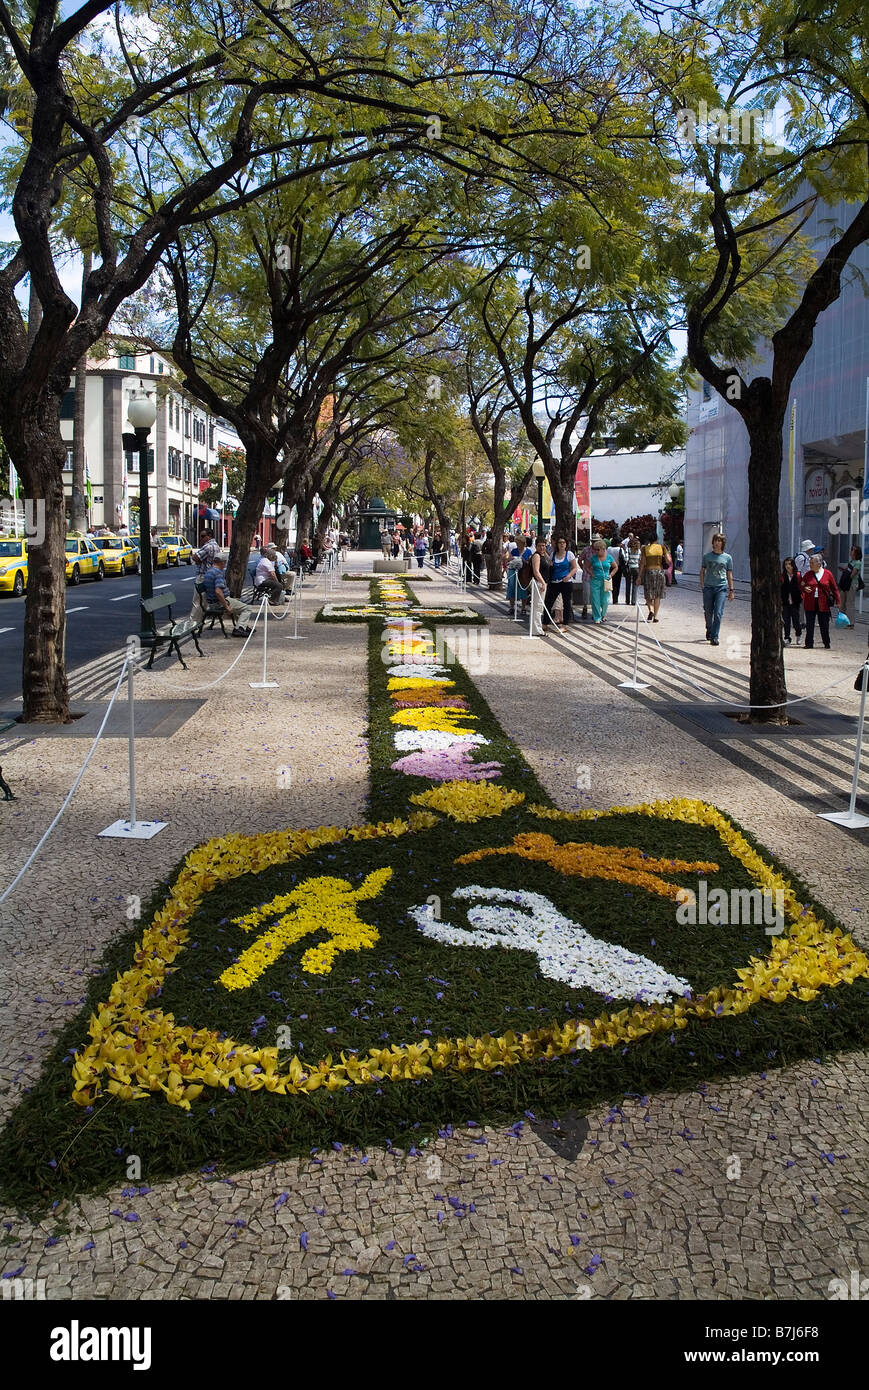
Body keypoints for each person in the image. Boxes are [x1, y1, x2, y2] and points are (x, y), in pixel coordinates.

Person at [201, 555, 254, 637]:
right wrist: (226, 606)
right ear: (222, 562)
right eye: (225, 563)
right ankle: (239, 628)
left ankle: (242, 626)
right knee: (247, 608)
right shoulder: (217, 573)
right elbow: (218, 592)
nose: (225, 565)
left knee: (238, 605)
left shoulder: (209, 571)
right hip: (220, 602)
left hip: (212, 601)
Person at [699, 532, 734, 646]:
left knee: (718, 613)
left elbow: (729, 574)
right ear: (713, 542)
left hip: (721, 588)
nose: (718, 543)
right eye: (716, 540)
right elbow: (702, 571)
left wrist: (731, 590)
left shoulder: (727, 558)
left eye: (720, 541)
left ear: (723, 543)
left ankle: (715, 636)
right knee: (708, 611)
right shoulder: (707, 556)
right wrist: (702, 585)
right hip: (708, 587)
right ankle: (709, 628)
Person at [801, 552, 840, 649]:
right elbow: (801, 585)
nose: (810, 565)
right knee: (810, 624)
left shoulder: (828, 574)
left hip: (823, 603)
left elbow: (834, 588)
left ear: (819, 564)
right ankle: (809, 643)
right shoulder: (808, 574)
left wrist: (838, 601)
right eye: (810, 563)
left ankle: (826, 642)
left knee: (824, 624)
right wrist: (804, 588)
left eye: (812, 563)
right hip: (810, 602)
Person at [543, 535, 578, 631]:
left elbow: (575, 567)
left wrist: (568, 576)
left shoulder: (569, 554)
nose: (562, 544)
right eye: (560, 543)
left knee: (566, 603)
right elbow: (550, 564)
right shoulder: (553, 554)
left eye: (563, 543)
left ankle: (565, 625)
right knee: (548, 602)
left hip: (566, 582)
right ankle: (545, 623)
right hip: (554, 582)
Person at [638, 533, 670, 622]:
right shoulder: (662, 547)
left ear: (648, 540)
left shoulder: (645, 549)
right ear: (657, 539)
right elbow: (668, 561)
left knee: (648, 593)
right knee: (657, 595)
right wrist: (665, 553)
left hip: (648, 572)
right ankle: (655, 617)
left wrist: (639, 576)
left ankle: (650, 610)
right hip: (659, 572)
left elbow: (642, 563)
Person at [589, 537, 617, 624]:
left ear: (603, 549)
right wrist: (591, 574)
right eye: (595, 550)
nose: (596, 552)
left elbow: (615, 567)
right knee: (595, 600)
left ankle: (603, 614)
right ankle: (597, 617)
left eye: (598, 550)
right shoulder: (593, 558)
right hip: (595, 581)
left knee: (605, 600)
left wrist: (611, 575)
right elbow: (586, 567)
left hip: (606, 581)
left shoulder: (609, 558)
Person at [529, 537, 551, 635]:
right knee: (537, 606)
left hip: (544, 583)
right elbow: (536, 571)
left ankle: (537, 627)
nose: (542, 547)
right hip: (539, 583)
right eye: (540, 546)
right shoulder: (536, 556)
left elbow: (551, 562)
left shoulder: (543, 555)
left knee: (540, 607)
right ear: (536, 546)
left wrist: (545, 552)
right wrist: (542, 582)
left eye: (544, 546)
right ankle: (536, 629)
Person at [781, 557, 803, 646]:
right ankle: (787, 637)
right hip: (785, 602)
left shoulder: (797, 575)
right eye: (786, 564)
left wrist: (801, 597)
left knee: (796, 620)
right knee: (786, 621)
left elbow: (801, 587)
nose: (787, 566)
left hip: (795, 601)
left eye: (789, 564)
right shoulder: (782, 576)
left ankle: (798, 634)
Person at [838, 545, 864, 615]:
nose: (850, 551)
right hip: (846, 584)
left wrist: (846, 574)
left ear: (856, 552)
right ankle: (842, 621)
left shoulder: (858, 562)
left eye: (852, 550)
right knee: (842, 603)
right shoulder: (851, 561)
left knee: (850, 604)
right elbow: (848, 571)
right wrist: (844, 570)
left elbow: (852, 575)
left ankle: (850, 623)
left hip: (851, 585)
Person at [607, 533, 625, 604]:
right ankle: (616, 598)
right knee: (617, 583)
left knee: (612, 583)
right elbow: (623, 558)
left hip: (610, 567)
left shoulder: (608, 549)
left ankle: (612, 596)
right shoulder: (620, 549)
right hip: (618, 567)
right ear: (618, 543)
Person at [624, 535, 641, 605]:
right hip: (636, 568)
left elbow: (626, 559)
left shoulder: (628, 550)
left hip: (629, 568)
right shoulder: (639, 551)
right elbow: (640, 560)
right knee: (635, 584)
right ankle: (633, 601)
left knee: (628, 584)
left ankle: (627, 600)